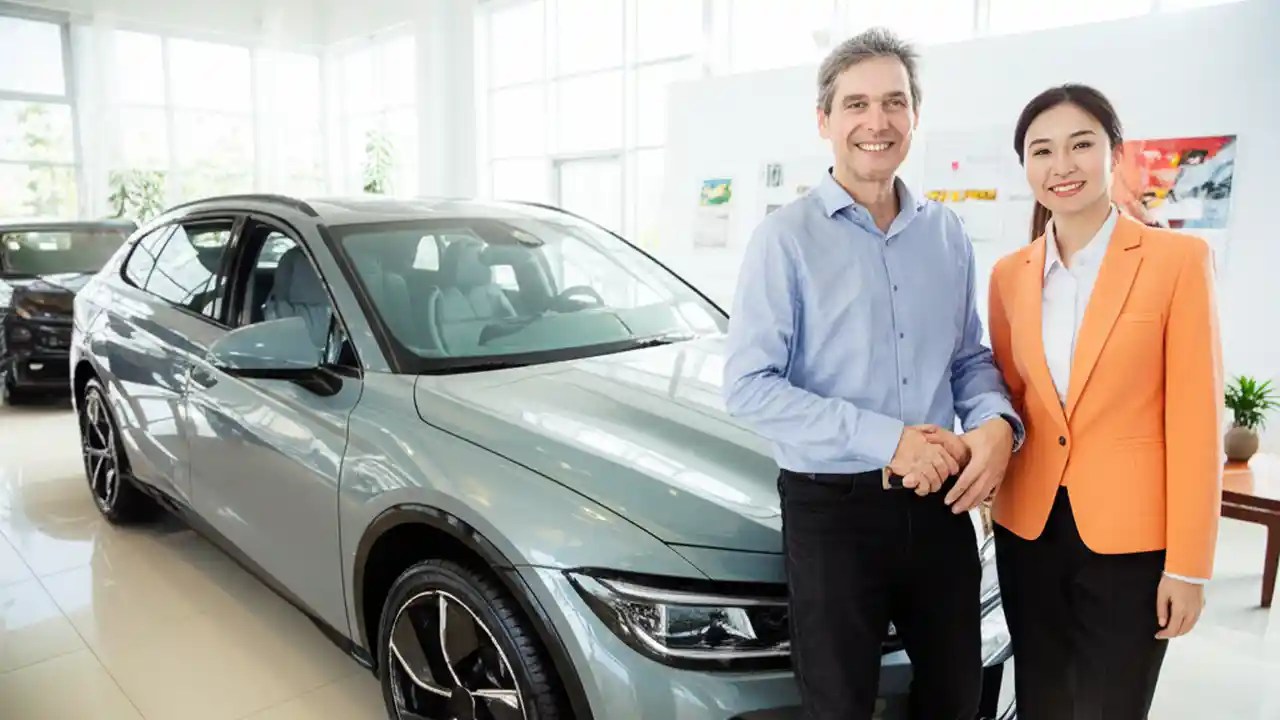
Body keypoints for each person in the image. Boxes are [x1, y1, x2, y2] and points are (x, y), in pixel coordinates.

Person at [722, 27, 1024, 720]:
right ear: (825, 121)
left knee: (957, 694)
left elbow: (967, 357)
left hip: (941, 503)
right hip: (834, 512)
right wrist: (890, 440)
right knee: (840, 705)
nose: (876, 121)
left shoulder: (945, 235)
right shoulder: (785, 239)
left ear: (915, 117)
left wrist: (997, 424)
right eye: (856, 104)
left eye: (894, 102)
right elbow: (748, 385)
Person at [986, 83, 1224, 719]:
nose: (1061, 166)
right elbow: (1010, 401)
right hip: (1027, 530)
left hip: (1133, 543)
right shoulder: (1010, 275)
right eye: (1042, 151)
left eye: (1080, 145)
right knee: (1040, 699)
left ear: (1114, 153)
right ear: (1026, 167)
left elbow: (1198, 421)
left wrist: (1191, 566)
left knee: (1112, 707)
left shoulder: (1177, 260)